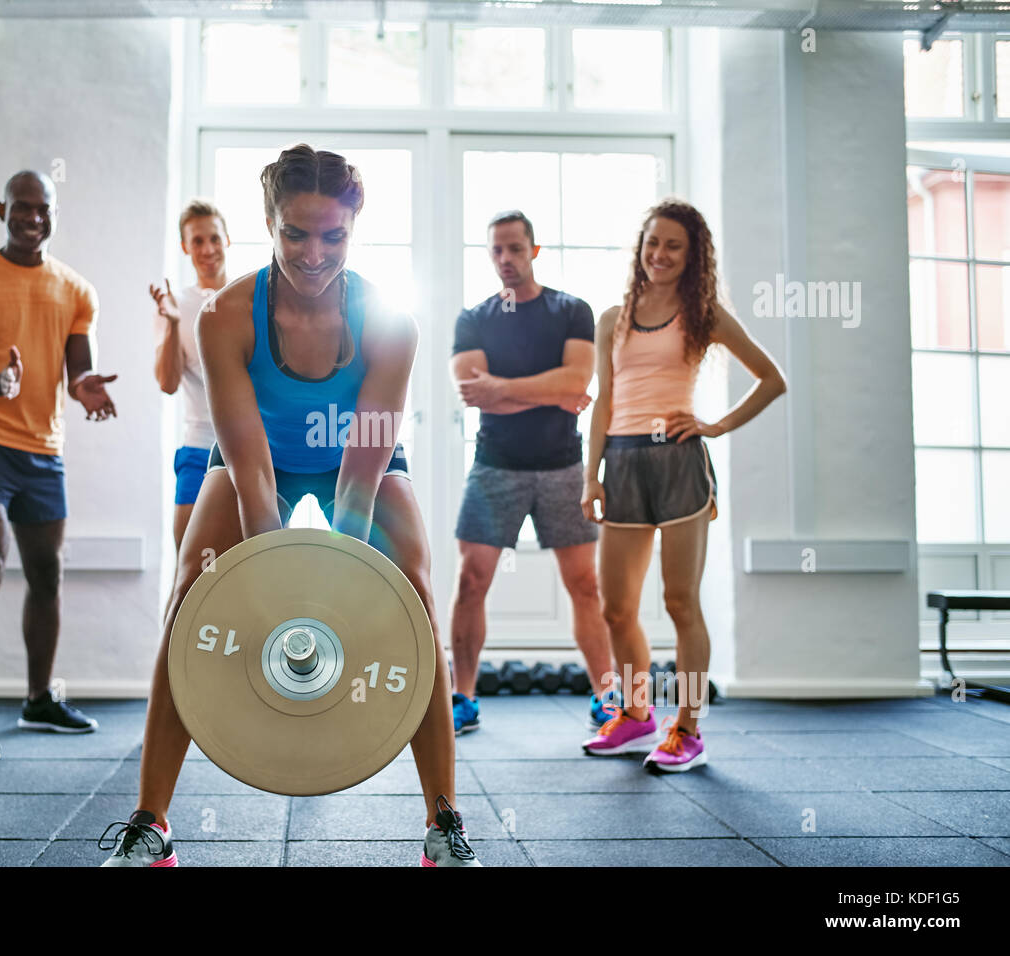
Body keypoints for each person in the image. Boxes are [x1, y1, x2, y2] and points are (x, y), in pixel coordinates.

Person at [100, 144, 479, 867]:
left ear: (354, 229)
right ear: (269, 224)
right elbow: (250, 481)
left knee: (416, 596)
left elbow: (362, 484)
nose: (314, 253)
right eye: (295, 233)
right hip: (258, 464)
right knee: (190, 596)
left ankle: (443, 824)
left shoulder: (389, 321)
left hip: (355, 465)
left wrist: (339, 591)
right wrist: (274, 596)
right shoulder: (224, 316)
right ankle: (152, 823)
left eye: (333, 236)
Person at [580, 198, 786, 772]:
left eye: (673, 245)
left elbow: (773, 379)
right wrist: (590, 475)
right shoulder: (611, 318)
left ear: (692, 254)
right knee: (616, 608)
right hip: (620, 462)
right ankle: (637, 714)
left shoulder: (705, 314)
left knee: (679, 601)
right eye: (652, 243)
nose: (660, 254)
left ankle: (688, 729)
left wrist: (715, 425)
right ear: (640, 247)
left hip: (678, 464)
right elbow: (604, 403)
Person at [0, 170, 118, 763]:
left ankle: (39, 699)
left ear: (53, 213)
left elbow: (77, 371)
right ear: (1, 209)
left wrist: (87, 387)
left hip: (43, 450)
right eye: (21, 208)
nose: (32, 218)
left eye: (42, 209)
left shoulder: (76, 290)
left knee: (47, 573)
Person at [449, 210, 619, 736]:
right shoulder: (472, 319)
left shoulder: (571, 310)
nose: (506, 259)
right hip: (494, 464)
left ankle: (608, 697)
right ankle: (463, 696)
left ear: (534, 250)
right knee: (472, 579)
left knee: (585, 584)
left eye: (515, 249)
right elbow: (476, 394)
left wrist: (502, 389)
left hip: (562, 466)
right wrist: (552, 392)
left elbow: (579, 380)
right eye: (496, 250)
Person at [151, 200, 228, 554]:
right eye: (197, 241)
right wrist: (173, 324)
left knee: (255, 565)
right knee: (190, 564)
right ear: (185, 247)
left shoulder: (253, 296)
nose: (208, 249)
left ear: (228, 239)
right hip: (199, 445)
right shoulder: (174, 304)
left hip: (254, 448)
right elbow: (167, 384)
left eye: (214, 238)